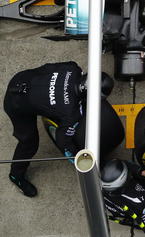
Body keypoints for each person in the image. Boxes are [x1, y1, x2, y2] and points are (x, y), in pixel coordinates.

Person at [3, 61, 114, 197]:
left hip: (21, 78)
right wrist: (79, 158)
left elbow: (47, 68)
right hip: (16, 104)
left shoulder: (73, 68)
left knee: (53, 104)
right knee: (29, 144)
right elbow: (63, 142)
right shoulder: (71, 114)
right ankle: (16, 176)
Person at [100, 158, 145, 235]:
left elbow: (125, 164)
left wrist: (144, 173)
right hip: (135, 209)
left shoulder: (101, 178)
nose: (130, 174)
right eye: (128, 175)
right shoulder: (137, 202)